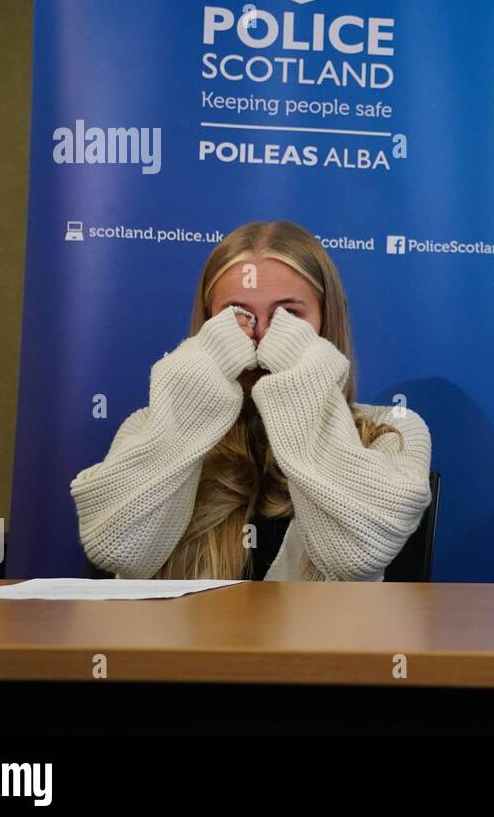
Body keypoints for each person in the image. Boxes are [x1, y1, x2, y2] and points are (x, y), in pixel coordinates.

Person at [70, 220, 432, 581]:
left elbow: (356, 556)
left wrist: (304, 388)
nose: (261, 338)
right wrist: (189, 397)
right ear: (208, 326)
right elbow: (118, 550)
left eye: (289, 316)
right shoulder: (147, 427)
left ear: (325, 321)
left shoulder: (392, 430)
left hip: (323, 639)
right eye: (237, 316)